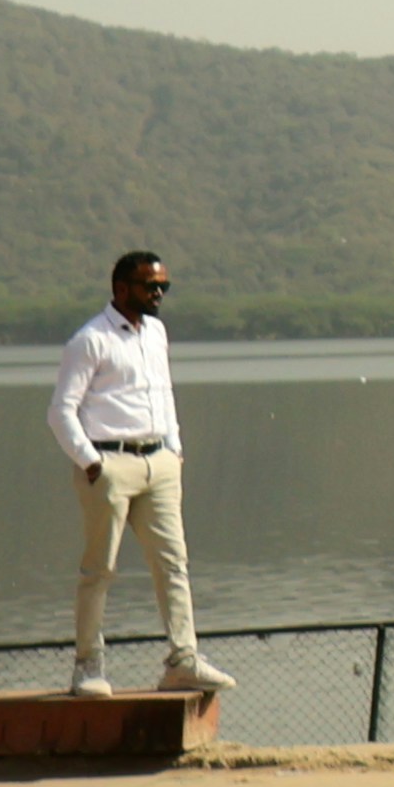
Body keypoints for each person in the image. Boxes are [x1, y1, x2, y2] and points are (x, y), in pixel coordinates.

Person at [53, 249, 240, 698]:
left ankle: (183, 659)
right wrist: (91, 462)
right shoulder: (91, 340)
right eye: (150, 286)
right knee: (100, 570)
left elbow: (163, 393)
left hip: (159, 463)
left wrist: (174, 449)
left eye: (163, 286)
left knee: (173, 563)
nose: (158, 294)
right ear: (121, 289)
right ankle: (87, 666)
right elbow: (61, 410)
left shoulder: (156, 332)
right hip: (110, 465)